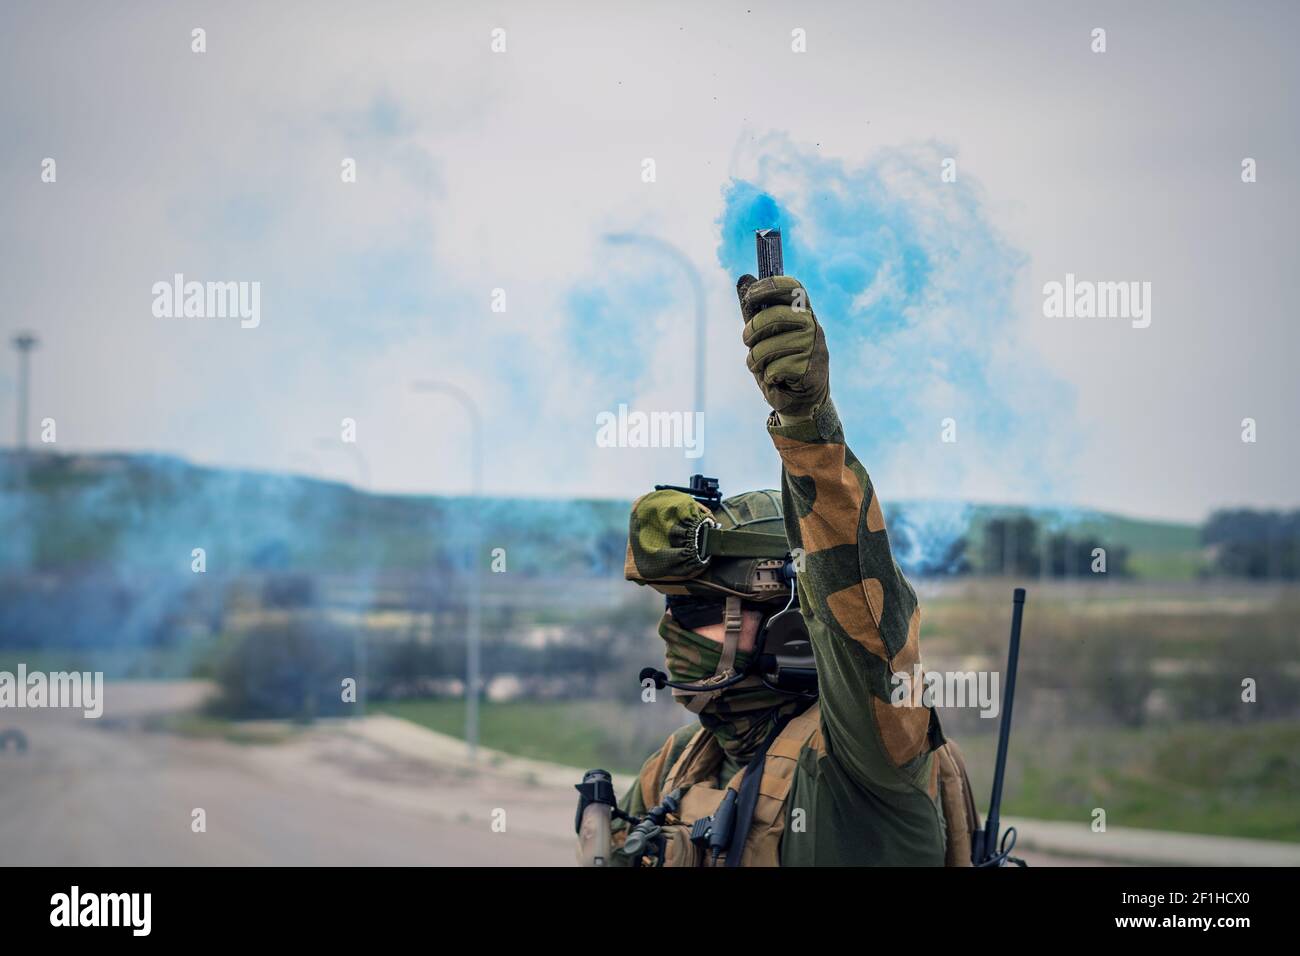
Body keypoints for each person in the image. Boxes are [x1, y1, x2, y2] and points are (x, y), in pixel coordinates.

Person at [607, 272, 978, 866]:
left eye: (698, 612)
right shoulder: (681, 765)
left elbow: (860, 610)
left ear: (789, 626)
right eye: (672, 610)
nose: (669, 633)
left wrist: (807, 424)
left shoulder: (865, 757)